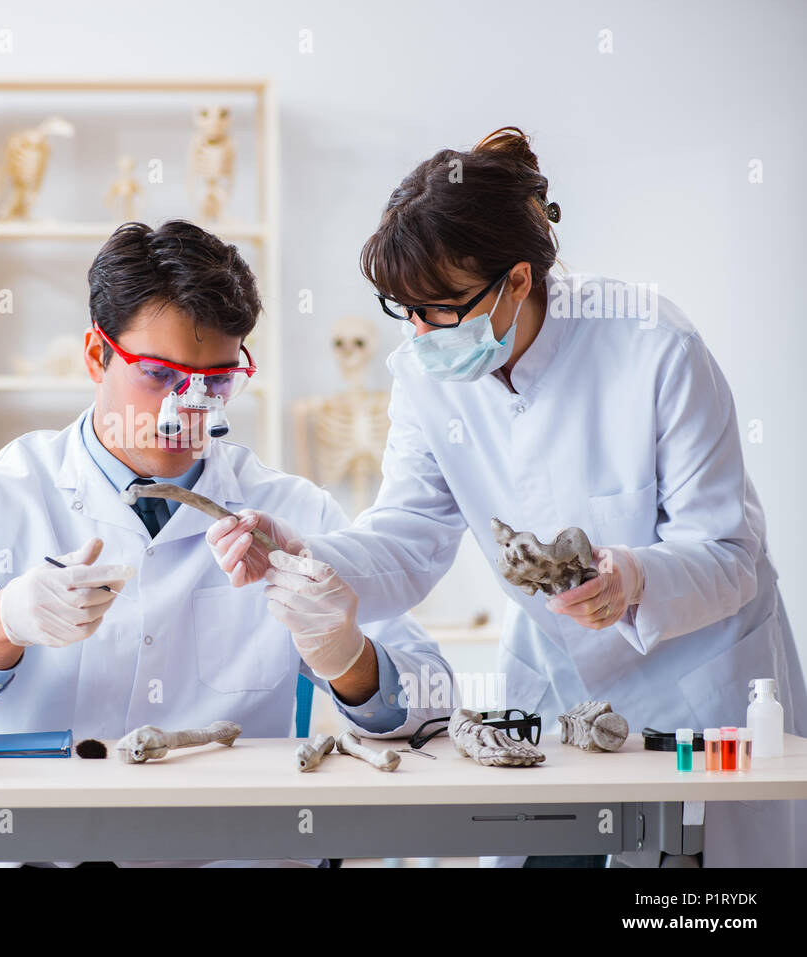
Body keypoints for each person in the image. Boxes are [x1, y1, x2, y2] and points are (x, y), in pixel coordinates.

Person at [207, 128, 806, 868]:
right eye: (406, 311)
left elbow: (727, 554)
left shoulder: (654, 346)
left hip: (697, 683)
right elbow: (409, 535)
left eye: (442, 309)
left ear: (519, 280)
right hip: (559, 682)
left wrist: (633, 580)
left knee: (692, 902)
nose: (421, 334)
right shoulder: (425, 373)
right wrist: (306, 555)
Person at [0, 219, 455, 868]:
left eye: (217, 379)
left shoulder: (296, 511)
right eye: (159, 374)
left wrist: (347, 657)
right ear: (97, 355)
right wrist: (0, 624)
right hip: (26, 850)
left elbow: (434, 704)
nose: (190, 407)